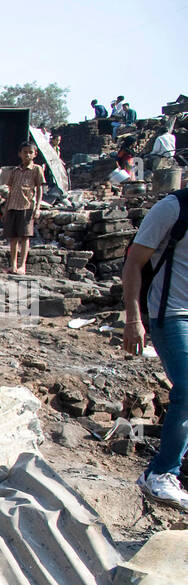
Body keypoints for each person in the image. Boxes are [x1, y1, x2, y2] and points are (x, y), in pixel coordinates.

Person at [122, 187, 188, 510]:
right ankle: (161, 472)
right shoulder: (173, 208)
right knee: (187, 388)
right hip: (170, 314)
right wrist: (133, 319)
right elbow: (134, 263)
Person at [2, 141, 46, 274]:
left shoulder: (36, 169)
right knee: (13, 237)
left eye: (30, 152)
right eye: (25, 152)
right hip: (13, 206)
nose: (27, 155)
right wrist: (6, 208)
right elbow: (10, 189)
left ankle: (23, 265)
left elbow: (39, 190)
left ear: (35, 154)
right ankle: (13, 264)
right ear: (20, 154)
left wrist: (37, 207)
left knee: (25, 236)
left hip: (27, 206)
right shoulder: (15, 171)